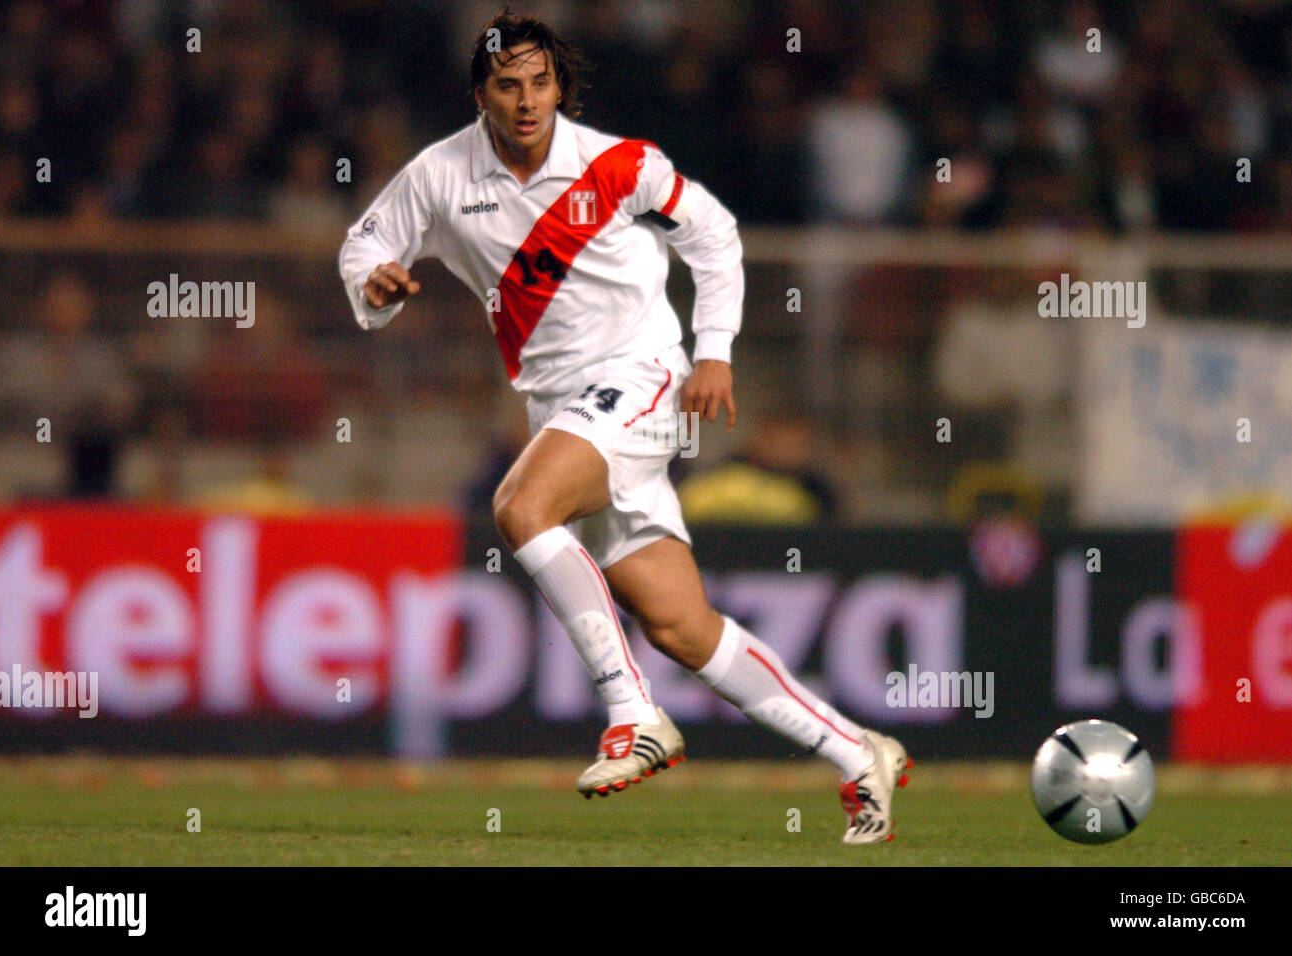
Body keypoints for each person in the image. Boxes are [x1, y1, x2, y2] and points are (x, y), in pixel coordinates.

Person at [338, 13, 910, 844]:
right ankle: (860, 753)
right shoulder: (439, 174)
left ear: (559, 86)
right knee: (679, 624)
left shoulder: (618, 162)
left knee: (521, 508)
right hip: (565, 410)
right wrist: (378, 280)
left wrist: (714, 353)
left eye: (540, 82)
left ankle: (631, 713)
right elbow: (363, 243)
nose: (527, 100)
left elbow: (714, 234)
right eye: (509, 85)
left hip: (642, 379)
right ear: (482, 96)